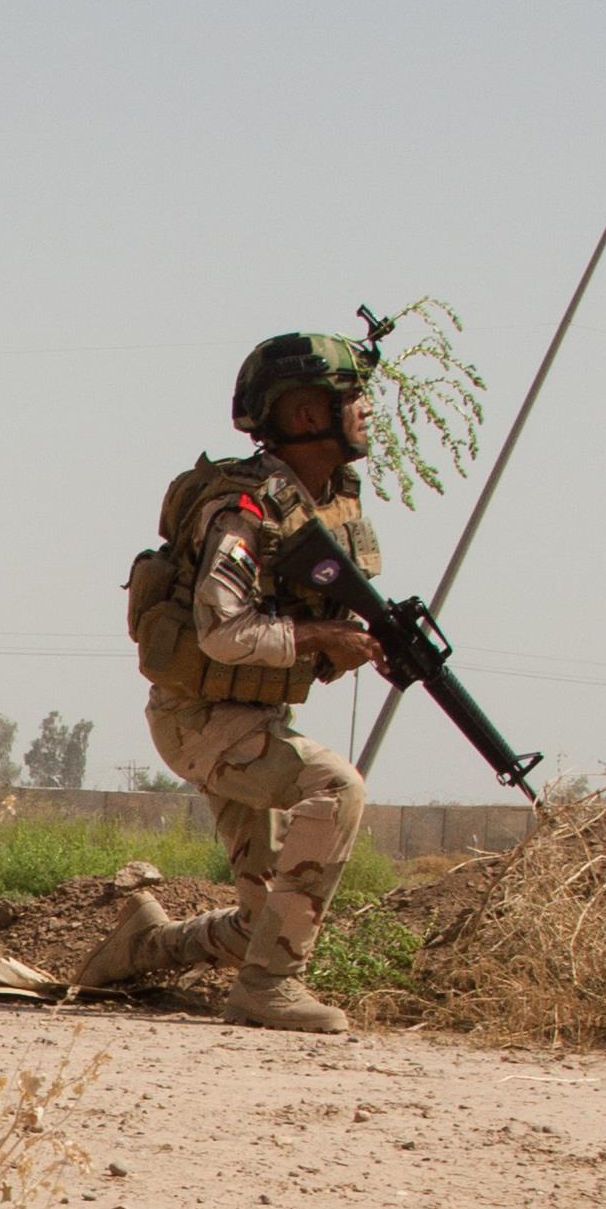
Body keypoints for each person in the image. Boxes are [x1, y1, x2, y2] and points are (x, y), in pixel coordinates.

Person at [89, 329, 388, 1033]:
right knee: (336, 787)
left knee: (264, 913)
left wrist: (350, 647)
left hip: (249, 721)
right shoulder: (244, 510)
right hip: (199, 720)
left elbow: (301, 631)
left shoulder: (327, 504)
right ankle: (268, 985)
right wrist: (318, 639)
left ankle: (144, 945)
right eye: (352, 396)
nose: (368, 409)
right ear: (307, 413)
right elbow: (222, 630)